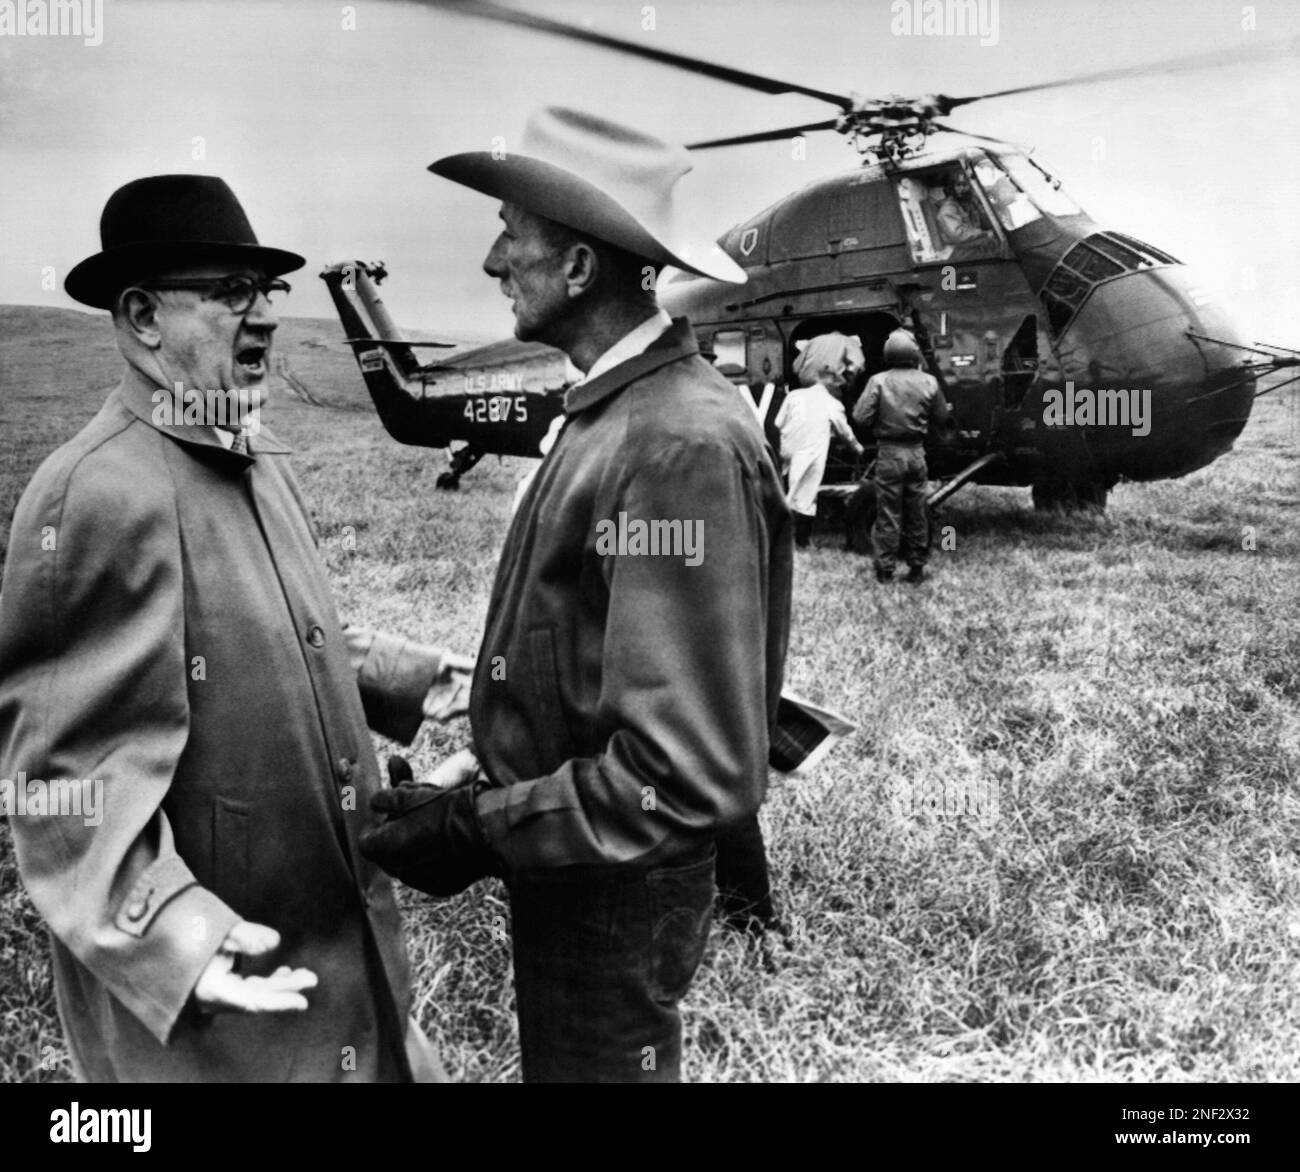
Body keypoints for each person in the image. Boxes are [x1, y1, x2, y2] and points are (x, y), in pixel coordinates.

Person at [0, 175, 472, 1082]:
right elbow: (64, 783)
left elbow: (271, 633)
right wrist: (178, 937)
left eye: (267, 294)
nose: (263, 320)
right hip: (218, 1015)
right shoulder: (95, 493)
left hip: (337, 964)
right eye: (227, 294)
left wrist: (416, 678)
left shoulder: (245, 454)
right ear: (142, 317)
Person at [358, 107, 793, 1082]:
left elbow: (675, 772)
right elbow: (588, 667)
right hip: (582, 861)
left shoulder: (674, 444)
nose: (490, 260)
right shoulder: (616, 413)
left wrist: (474, 827)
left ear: (580, 267)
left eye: (509, 232)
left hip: (616, 883)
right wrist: (480, 774)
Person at [852, 328, 952, 584]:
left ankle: (885, 570)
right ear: (914, 353)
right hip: (917, 453)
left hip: (889, 453)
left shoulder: (878, 381)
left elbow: (860, 417)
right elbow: (942, 417)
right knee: (917, 510)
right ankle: (917, 567)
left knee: (888, 512)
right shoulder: (929, 381)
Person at [775, 333, 865, 548]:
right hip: (810, 452)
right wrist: (857, 448)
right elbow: (857, 365)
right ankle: (799, 540)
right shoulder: (832, 400)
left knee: (789, 485)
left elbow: (796, 368)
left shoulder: (793, 397)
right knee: (805, 493)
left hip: (787, 449)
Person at [935, 171, 998, 259]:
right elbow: (959, 236)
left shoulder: (969, 202)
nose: (963, 188)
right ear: (951, 188)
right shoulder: (947, 210)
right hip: (963, 252)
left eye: (966, 185)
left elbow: (985, 221)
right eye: (959, 185)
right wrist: (985, 234)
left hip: (977, 245)